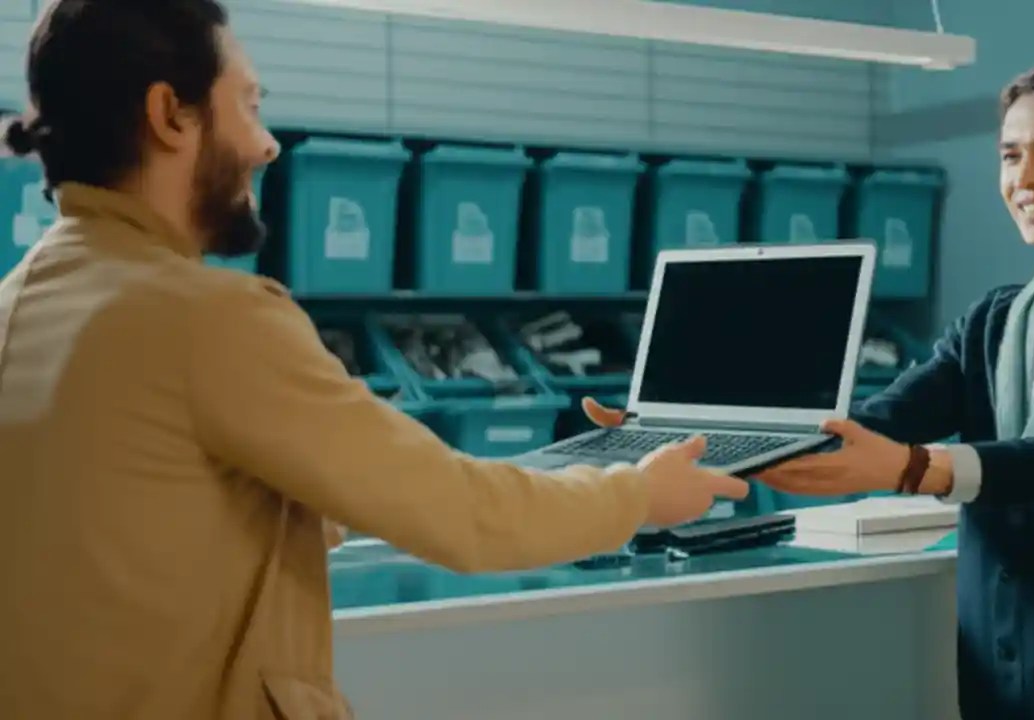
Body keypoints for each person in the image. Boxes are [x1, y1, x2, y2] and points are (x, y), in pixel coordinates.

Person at [0, 2, 749, 718]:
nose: (269, 145)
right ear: (171, 115)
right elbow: (457, 511)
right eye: (250, 105)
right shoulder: (206, 318)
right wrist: (636, 495)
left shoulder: (17, 303)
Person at [587, 56, 1034, 719]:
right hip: (997, 690)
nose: (1026, 179)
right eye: (1011, 156)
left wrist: (915, 469)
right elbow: (889, 417)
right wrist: (706, 433)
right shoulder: (994, 317)